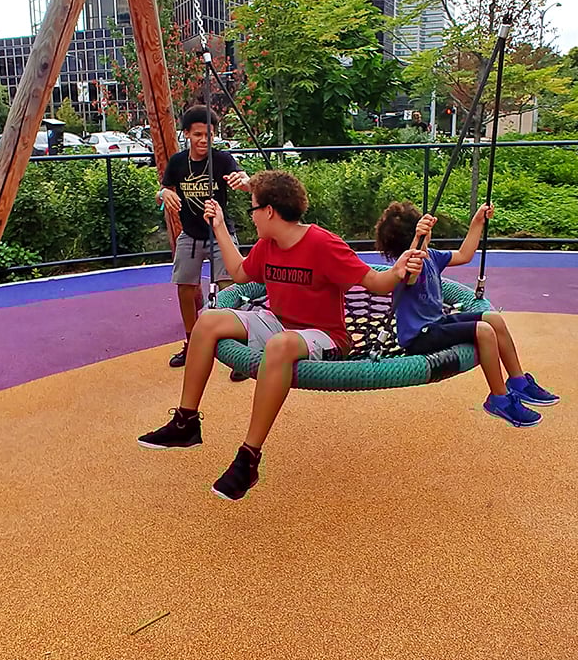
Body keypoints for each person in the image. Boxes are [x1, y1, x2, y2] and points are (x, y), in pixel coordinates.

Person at [139, 170, 426, 501]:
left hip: (325, 336)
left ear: (270, 211)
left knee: (281, 345)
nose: (252, 217)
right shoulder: (268, 245)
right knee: (208, 322)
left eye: (253, 209)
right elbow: (239, 272)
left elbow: (377, 283)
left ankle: (248, 458)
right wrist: (218, 227)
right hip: (279, 323)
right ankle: (186, 422)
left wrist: (399, 270)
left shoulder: (323, 244)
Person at [375, 200, 560, 428]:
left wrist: (477, 222)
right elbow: (412, 274)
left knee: (493, 319)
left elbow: (464, 255)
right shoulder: (407, 266)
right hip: (419, 337)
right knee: (483, 331)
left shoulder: (431, 255)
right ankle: (499, 398)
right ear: (417, 235)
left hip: (437, 323)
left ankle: (518, 381)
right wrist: (417, 241)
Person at [157, 105, 251, 374]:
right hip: (191, 233)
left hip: (219, 232)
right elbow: (162, 191)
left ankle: (237, 348)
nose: (203, 140)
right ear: (186, 134)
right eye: (197, 134)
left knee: (229, 287)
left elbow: (244, 180)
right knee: (185, 287)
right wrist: (165, 195)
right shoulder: (177, 162)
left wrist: (243, 180)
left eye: (208, 135)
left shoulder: (222, 160)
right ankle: (191, 342)